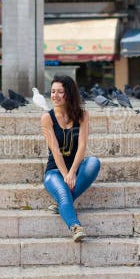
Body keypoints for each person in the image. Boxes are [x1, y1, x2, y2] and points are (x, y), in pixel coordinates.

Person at [40, 75, 101, 242]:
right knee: (63, 193)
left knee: (94, 162)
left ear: (69, 93)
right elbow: (55, 150)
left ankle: (61, 204)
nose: (55, 96)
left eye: (61, 92)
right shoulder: (47, 118)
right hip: (54, 171)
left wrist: (73, 171)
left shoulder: (82, 115)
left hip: (77, 167)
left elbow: (82, 145)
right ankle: (75, 226)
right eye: (53, 92)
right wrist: (66, 174)